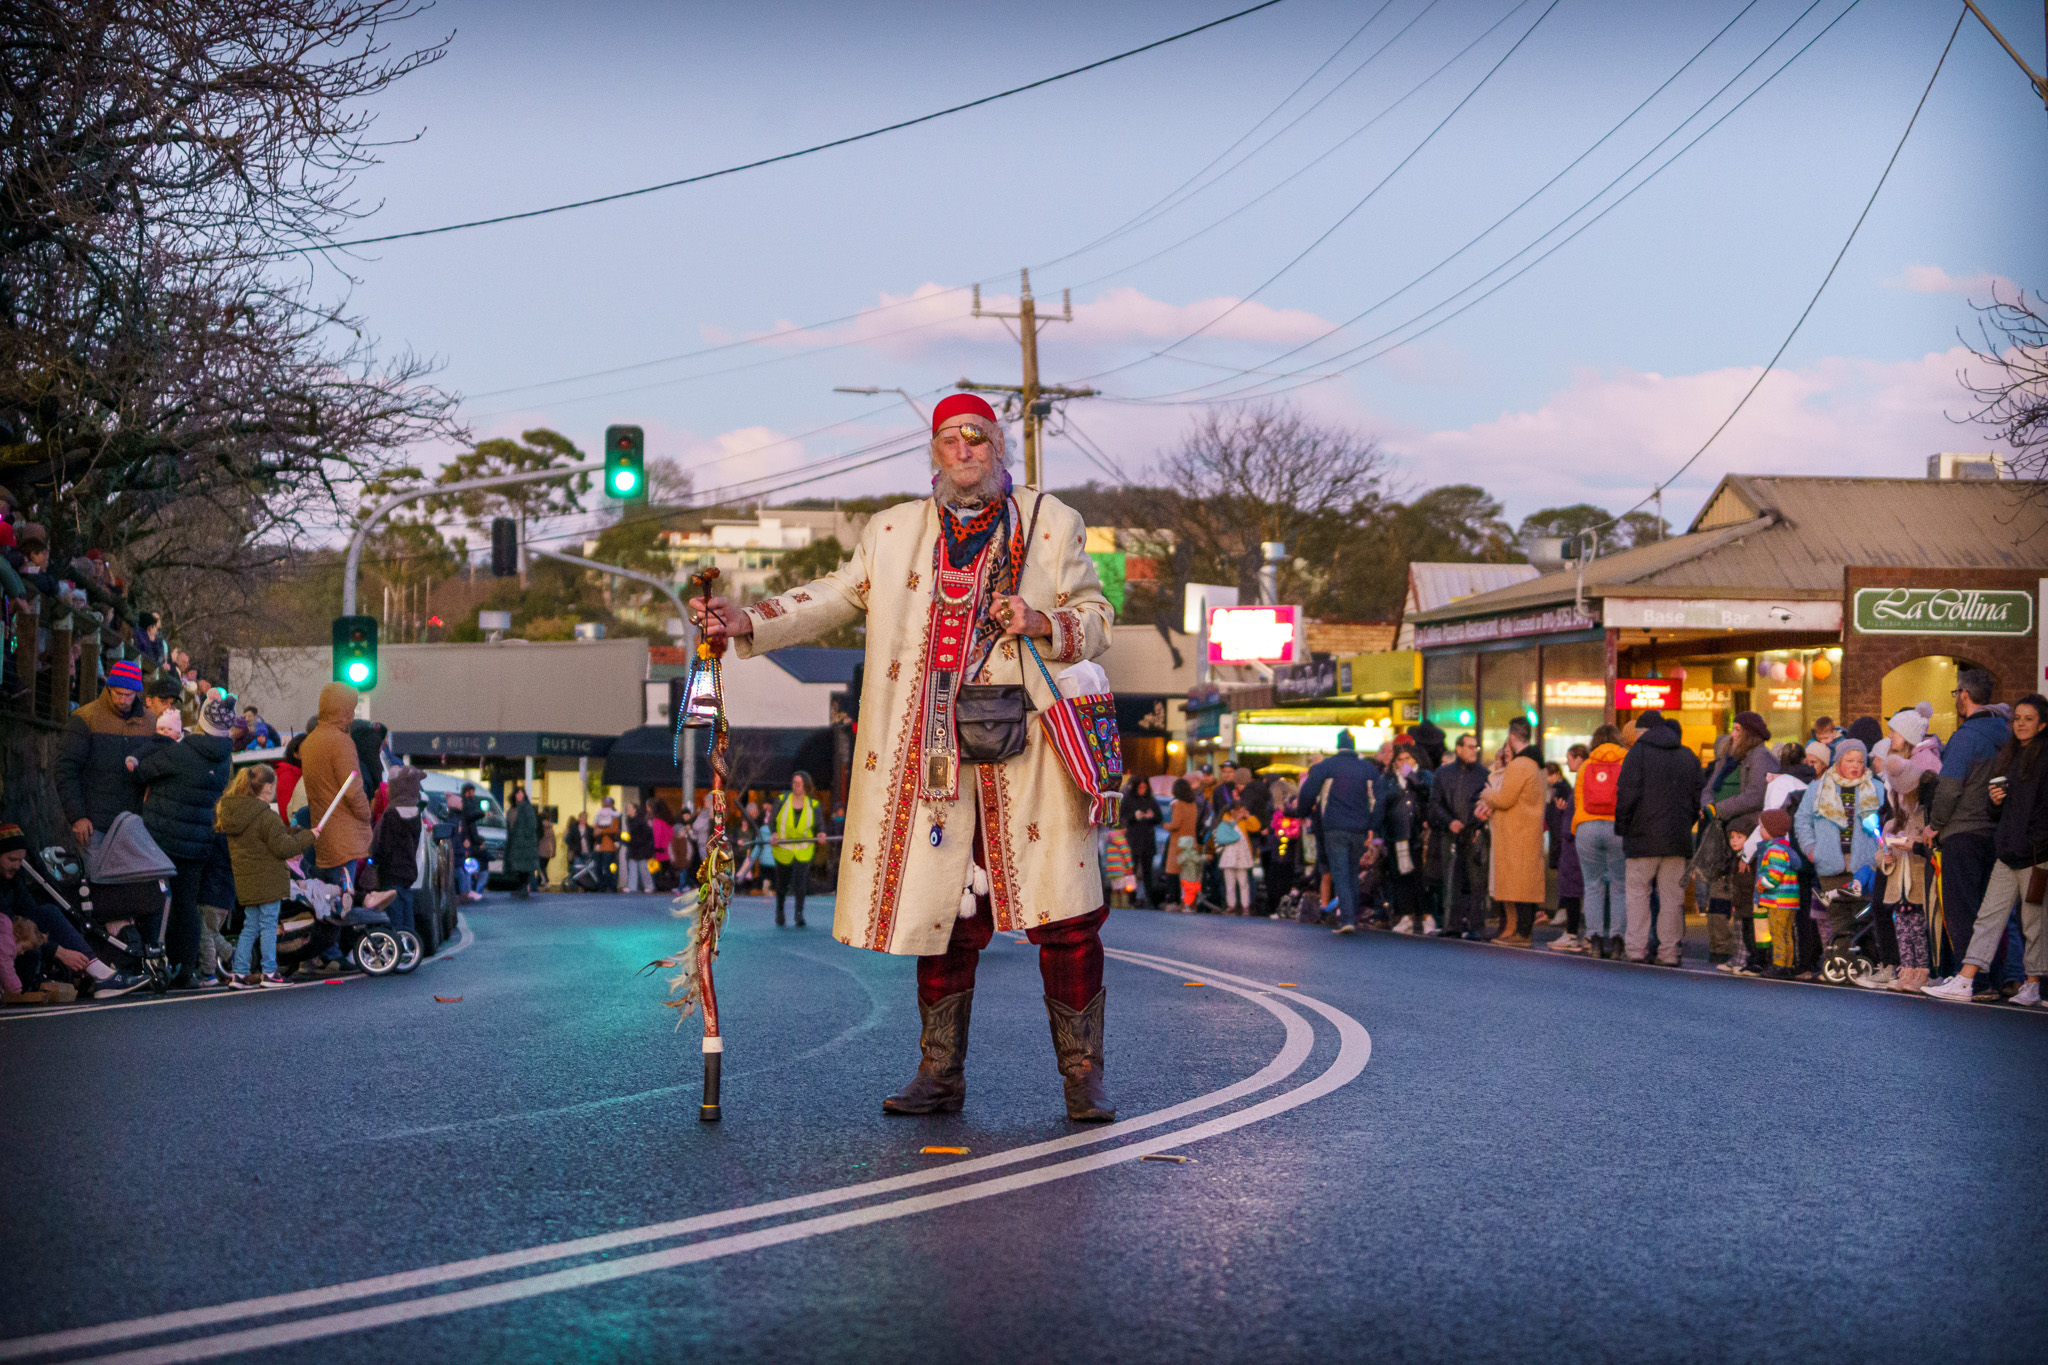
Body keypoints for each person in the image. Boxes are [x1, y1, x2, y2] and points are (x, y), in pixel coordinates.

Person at [690, 392, 1119, 1121]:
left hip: (1034, 760)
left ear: (998, 448)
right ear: (933, 451)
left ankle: (1083, 1076)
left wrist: (1040, 619)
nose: (964, 452)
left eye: (977, 439)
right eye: (950, 439)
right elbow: (829, 595)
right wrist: (746, 621)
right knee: (940, 915)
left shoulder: (1053, 524)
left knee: (1067, 919)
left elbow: (1099, 618)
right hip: (935, 760)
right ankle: (939, 1073)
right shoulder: (890, 532)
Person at [1924, 693, 2047, 1005]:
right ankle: (1966, 979)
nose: (2020, 724)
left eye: (2028, 719)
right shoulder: (2010, 754)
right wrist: (1995, 804)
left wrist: (2037, 844)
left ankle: (2034, 984)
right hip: (2007, 852)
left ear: (2043, 723)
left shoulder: (2044, 759)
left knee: (2034, 922)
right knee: (1989, 917)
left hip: (2036, 855)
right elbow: (2006, 812)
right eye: (2017, 718)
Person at [126, 689, 234, 988]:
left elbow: (142, 773)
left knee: (155, 901)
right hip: (199, 843)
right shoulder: (224, 759)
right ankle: (185, 969)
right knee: (186, 906)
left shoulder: (182, 751)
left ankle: (151, 962)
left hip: (162, 838)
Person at [1929, 669, 2010, 975]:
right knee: (1992, 912)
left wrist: (1935, 824)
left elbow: (1949, 788)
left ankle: (1969, 980)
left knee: (1962, 909)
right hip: (1997, 830)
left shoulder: (1966, 737)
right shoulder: (2006, 733)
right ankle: (1999, 977)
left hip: (1963, 831)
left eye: (1956, 694)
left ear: (1964, 693)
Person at [216, 763, 317, 987]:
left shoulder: (235, 813)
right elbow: (283, 849)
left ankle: (239, 974)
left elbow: (261, 839)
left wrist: (290, 833)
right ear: (268, 787)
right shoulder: (266, 816)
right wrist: (309, 836)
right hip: (268, 879)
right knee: (269, 925)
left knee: (250, 926)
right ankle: (270, 972)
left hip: (247, 880)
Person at [1615, 710, 1702, 965]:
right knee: (1672, 899)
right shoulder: (1687, 755)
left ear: (1643, 732)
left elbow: (1625, 797)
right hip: (1677, 839)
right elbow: (1697, 796)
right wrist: (1686, 823)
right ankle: (1669, 952)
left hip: (1642, 839)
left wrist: (1623, 828)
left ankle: (1636, 949)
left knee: (1638, 895)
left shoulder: (1637, 754)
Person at [1793, 737, 1886, 962]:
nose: (1855, 766)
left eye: (1860, 761)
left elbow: (1887, 822)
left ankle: (1868, 963)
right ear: (1838, 761)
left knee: (1864, 917)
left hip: (1865, 864)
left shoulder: (1878, 788)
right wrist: (1811, 849)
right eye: (1849, 760)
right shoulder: (1818, 787)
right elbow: (1802, 820)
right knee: (1839, 919)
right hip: (1829, 863)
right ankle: (1843, 964)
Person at [1292, 731, 1383, 935]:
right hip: (1359, 828)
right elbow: (1379, 800)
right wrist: (1372, 826)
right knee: (1352, 872)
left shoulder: (1327, 767)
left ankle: (1347, 919)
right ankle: (1352, 915)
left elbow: (1308, 792)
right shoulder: (1368, 769)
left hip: (1334, 827)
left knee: (1340, 872)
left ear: (1338, 745)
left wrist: (1302, 813)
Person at [1478, 719, 1546, 946]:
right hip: (1528, 830)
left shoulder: (1520, 764)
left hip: (1516, 833)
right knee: (1525, 885)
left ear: (1512, 736)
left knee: (1520, 888)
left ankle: (1522, 933)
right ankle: (1519, 931)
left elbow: (1504, 798)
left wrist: (1487, 794)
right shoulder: (1538, 764)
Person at [1569, 725, 1629, 959]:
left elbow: (1578, 799)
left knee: (1592, 885)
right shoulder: (1626, 762)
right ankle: (1616, 940)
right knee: (1619, 885)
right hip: (1617, 827)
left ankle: (1594, 940)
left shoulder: (1585, 765)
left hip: (1587, 826)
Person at [1429, 733, 1490, 940]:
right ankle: (1451, 924)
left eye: (1476, 747)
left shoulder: (1483, 774)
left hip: (1473, 832)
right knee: (1451, 879)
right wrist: (1449, 821)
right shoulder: (1443, 773)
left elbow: (1487, 803)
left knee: (1476, 881)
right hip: (1451, 832)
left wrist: (1477, 825)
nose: (1474, 751)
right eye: (1470, 747)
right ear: (1459, 749)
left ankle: (1475, 925)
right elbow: (1435, 803)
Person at [369, 766, 425, 939]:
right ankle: (409, 946)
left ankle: (395, 948)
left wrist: (373, 860)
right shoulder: (416, 815)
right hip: (408, 871)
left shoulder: (391, 815)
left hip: (390, 871)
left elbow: (380, 846)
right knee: (407, 912)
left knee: (393, 916)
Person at [1382, 745, 1430, 934]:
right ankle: (1406, 915)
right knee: (1401, 875)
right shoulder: (1388, 780)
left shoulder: (1423, 775)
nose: (1404, 762)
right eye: (1400, 759)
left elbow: (1427, 793)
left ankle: (1426, 915)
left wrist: (1411, 775)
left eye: (1407, 758)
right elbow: (1382, 803)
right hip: (1397, 834)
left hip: (1418, 834)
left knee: (1421, 877)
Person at [1544, 749, 1586, 951]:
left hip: (1572, 839)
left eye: (1570, 758)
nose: (1568, 762)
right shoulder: (1576, 782)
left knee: (1573, 887)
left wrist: (1564, 817)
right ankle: (1591, 934)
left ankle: (1573, 933)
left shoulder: (1576, 782)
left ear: (1580, 758)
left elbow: (1572, 814)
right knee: (1590, 888)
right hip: (1577, 837)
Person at [769, 773, 820, 926]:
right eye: (794, 782)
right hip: (783, 849)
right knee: (782, 884)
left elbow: (820, 825)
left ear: (806, 785)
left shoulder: (814, 805)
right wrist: (774, 833)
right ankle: (780, 911)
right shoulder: (781, 800)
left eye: (799, 783)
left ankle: (799, 914)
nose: (796, 785)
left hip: (803, 850)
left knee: (800, 883)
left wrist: (821, 834)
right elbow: (772, 820)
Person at [1121, 775, 1161, 908]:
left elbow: (1159, 818)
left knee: (1147, 871)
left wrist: (1151, 817)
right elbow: (1123, 816)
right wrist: (1134, 816)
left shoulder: (1151, 800)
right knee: (1131, 871)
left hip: (1148, 840)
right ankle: (1131, 898)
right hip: (1134, 840)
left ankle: (1148, 898)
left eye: (1145, 787)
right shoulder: (1129, 800)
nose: (1142, 790)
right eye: (1140, 787)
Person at [1212, 800, 1257, 914]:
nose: (1243, 813)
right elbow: (1224, 837)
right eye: (1241, 811)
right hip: (1230, 856)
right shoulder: (1226, 822)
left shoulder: (1243, 821)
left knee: (1243, 883)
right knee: (1230, 883)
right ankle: (1231, 905)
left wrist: (1249, 817)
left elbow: (1256, 826)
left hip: (1242, 856)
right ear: (1233, 811)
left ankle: (1245, 905)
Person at [1164, 778, 1200, 912]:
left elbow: (1176, 823)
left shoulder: (1178, 804)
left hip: (1178, 843)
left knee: (1172, 872)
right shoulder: (1193, 805)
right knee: (1188, 875)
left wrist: (1166, 825)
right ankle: (1190, 902)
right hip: (1191, 842)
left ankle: (1173, 901)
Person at [505, 786, 541, 899]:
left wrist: (526, 837)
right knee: (517, 868)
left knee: (524, 868)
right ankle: (520, 888)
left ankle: (524, 889)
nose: (519, 795)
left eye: (521, 793)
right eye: (517, 793)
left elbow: (532, 825)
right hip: (515, 843)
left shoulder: (527, 808)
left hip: (525, 845)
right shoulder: (512, 809)